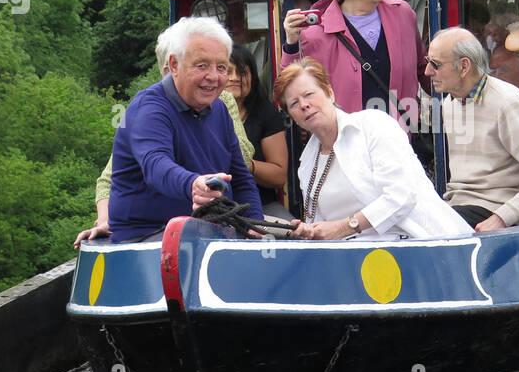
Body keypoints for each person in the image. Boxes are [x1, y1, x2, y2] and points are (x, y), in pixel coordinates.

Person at [275, 59, 471, 240]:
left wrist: (345, 226)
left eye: (309, 94)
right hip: (354, 261)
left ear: (329, 93)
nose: (304, 105)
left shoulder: (374, 125)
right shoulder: (308, 162)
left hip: (415, 245)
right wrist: (308, 231)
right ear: (292, 116)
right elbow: (321, 227)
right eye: (294, 104)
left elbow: (401, 196)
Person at [107, 16, 261, 241]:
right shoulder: (149, 109)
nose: (213, 77)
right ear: (174, 65)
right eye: (202, 66)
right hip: (149, 236)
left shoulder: (219, 110)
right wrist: (193, 185)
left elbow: (239, 177)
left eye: (221, 68)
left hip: (206, 230)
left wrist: (253, 225)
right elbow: (156, 164)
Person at [281, 0, 426, 130]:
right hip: (344, 145)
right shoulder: (315, 34)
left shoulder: (403, 15)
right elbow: (292, 91)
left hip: (398, 142)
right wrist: (291, 44)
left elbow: (424, 71)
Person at [426, 28, 519, 232]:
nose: (428, 71)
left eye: (435, 64)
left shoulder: (507, 102)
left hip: (492, 211)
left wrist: (503, 217)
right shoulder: (450, 102)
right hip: (459, 207)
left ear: (464, 66)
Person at [228, 44, 293, 220]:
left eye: (241, 73)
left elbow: (279, 176)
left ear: (252, 78)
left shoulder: (266, 113)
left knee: (290, 230)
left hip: (261, 203)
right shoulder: (203, 111)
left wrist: (244, 164)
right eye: (227, 71)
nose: (234, 78)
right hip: (214, 204)